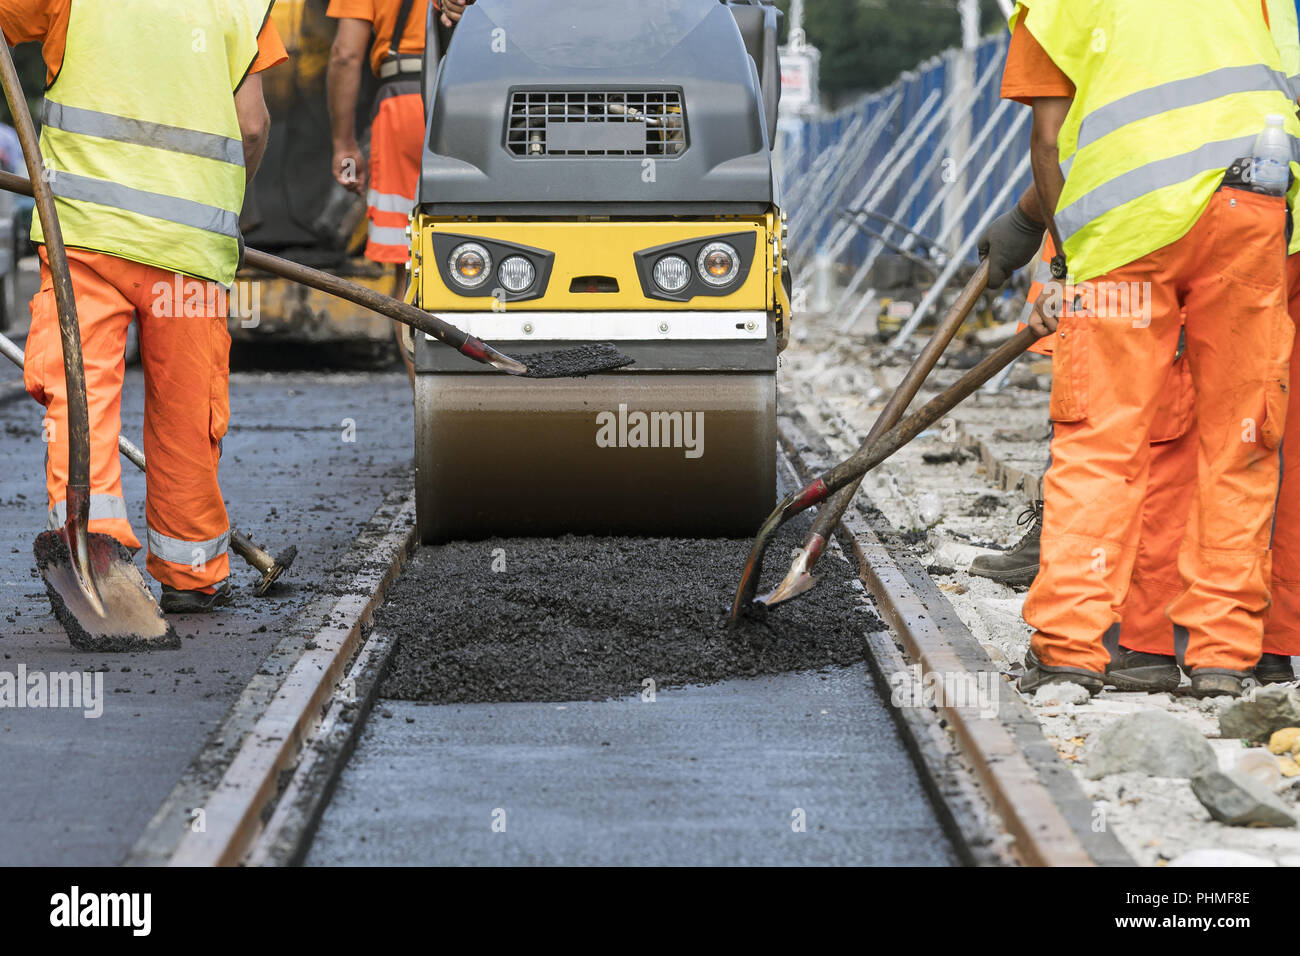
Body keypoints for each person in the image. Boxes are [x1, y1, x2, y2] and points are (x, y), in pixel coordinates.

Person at [976, 0, 1300, 691]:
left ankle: (1069, 649)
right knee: (1241, 435)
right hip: (1253, 213)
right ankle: (1222, 655)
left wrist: (1063, 264)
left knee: (1102, 438)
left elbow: (1049, 144)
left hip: (1126, 242)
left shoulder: (1053, 4)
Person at [1, 0, 287, 614]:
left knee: (83, 395)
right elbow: (253, 124)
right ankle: (192, 572)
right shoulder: (246, 5)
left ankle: (94, 565)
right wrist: (226, 215)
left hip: (83, 235)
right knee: (187, 411)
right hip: (189, 251)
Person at [326, 0, 469, 380]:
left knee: (409, 266)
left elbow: (345, 54)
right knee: (482, 244)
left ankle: (426, 399)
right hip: (476, 100)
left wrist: (344, 145)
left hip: (404, 105)